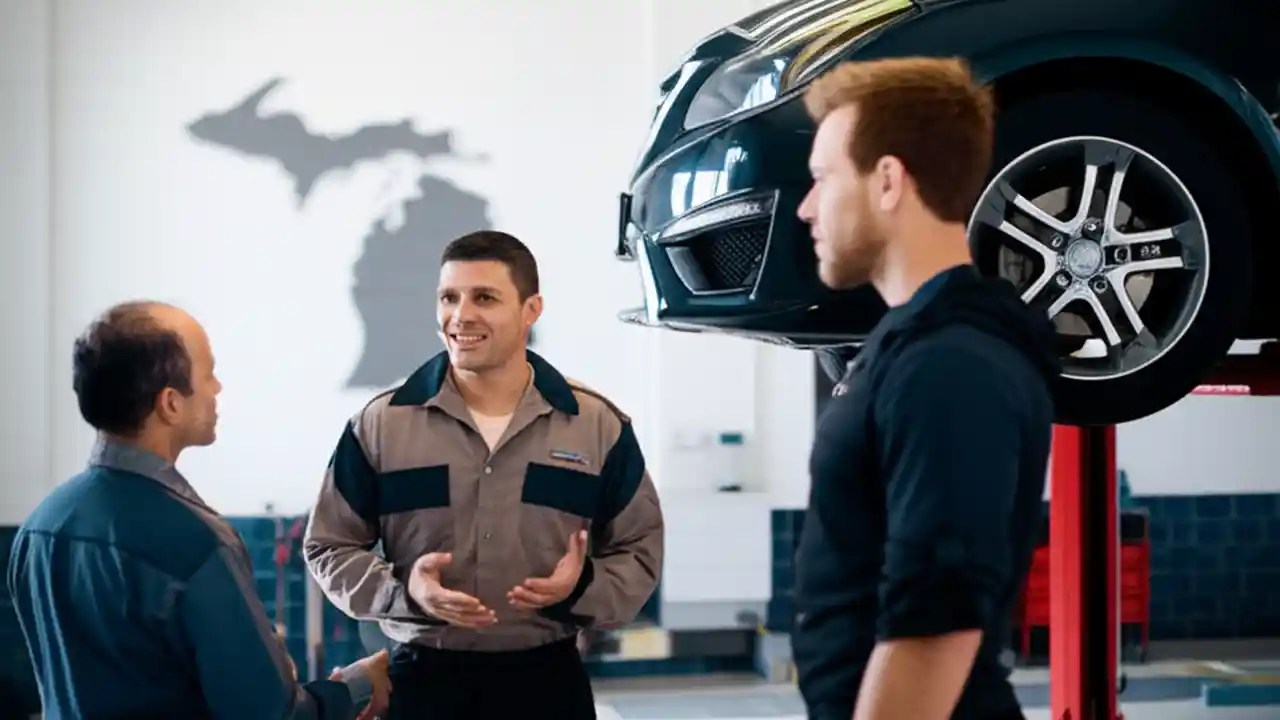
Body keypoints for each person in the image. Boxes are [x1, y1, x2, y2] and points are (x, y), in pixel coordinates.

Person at [791, 57, 1059, 720]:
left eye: (822, 179)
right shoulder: (910, 347)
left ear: (887, 181)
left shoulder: (950, 364)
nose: (805, 208)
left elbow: (939, 610)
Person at [303, 230, 664, 720]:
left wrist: (579, 589)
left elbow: (640, 555)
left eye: (485, 298)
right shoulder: (382, 424)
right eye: (449, 297)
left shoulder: (596, 426)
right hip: (421, 686)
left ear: (531, 310)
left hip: (547, 685)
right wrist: (406, 590)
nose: (461, 315)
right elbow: (328, 545)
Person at [6, 301, 392, 720]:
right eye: (208, 373)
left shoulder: (42, 526)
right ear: (171, 403)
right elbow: (270, 715)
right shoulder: (194, 543)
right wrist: (358, 685)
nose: (218, 387)